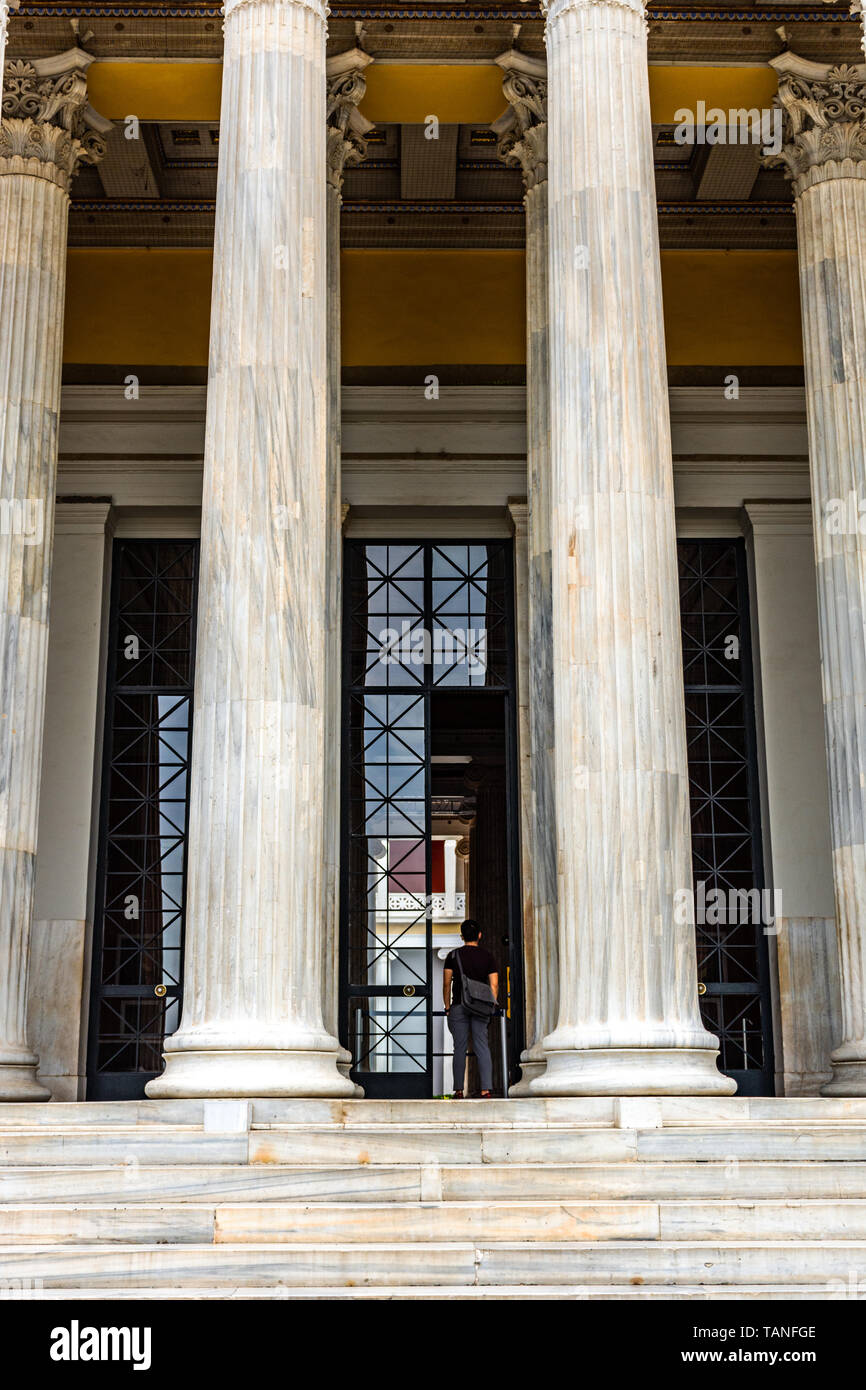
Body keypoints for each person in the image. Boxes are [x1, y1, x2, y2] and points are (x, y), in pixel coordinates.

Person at [443, 919, 498, 1098]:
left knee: (459, 1048)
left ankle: (459, 1090)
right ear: (480, 935)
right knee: (482, 1046)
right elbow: (494, 985)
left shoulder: (452, 956)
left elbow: (446, 983)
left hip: (459, 1004)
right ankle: (485, 1090)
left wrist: (447, 1006)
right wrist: (490, 1004)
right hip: (481, 1007)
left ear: (462, 936)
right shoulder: (488, 957)